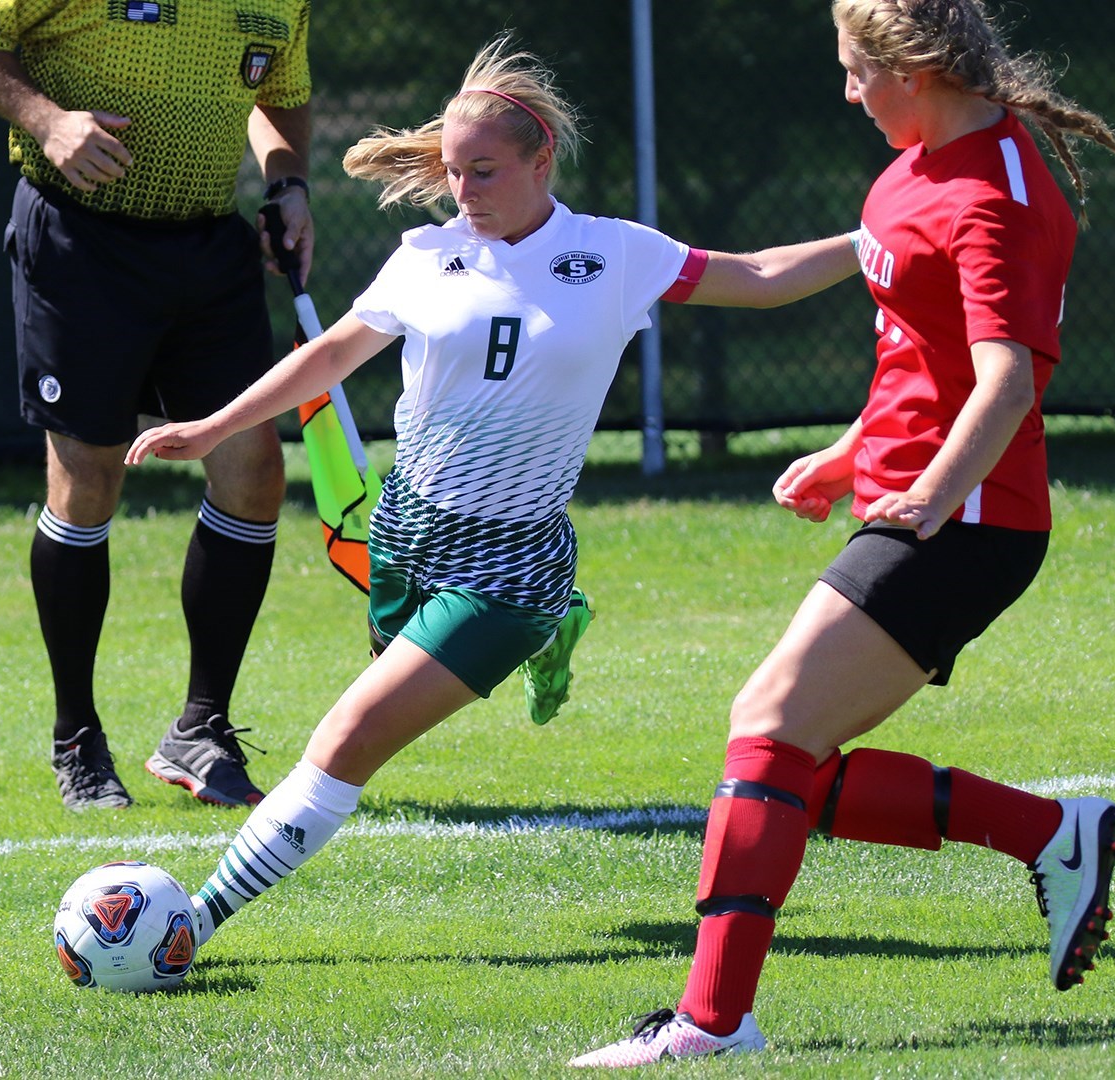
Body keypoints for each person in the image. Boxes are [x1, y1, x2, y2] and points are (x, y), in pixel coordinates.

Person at [127, 36, 860, 955]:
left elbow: (757, 276)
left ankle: (192, 924)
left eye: (483, 172)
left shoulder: (614, 255)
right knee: (387, 661)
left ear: (542, 159)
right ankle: (560, 622)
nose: (463, 192)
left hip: (510, 564)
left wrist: (875, 242)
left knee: (351, 731)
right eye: (451, 173)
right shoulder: (425, 256)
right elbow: (327, 357)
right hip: (402, 528)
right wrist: (212, 427)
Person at [568, 0, 1115, 1066]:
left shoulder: (993, 195)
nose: (847, 93)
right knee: (799, 763)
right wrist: (853, 455)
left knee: (768, 725)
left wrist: (929, 494)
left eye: (855, 72)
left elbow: (1007, 383)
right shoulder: (921, 156)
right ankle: (1050, 836)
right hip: (921, 500)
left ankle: (710, 1024)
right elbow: (918, 353)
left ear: (918, 68)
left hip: (970, 520)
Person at [0, 0, 317, 811]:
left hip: (211, 247)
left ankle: (200, 731)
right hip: (81, 243)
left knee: (253, 475)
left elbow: (280, 89)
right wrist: (47, 120)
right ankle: (77, 739)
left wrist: (287, 183)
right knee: (88, 479)